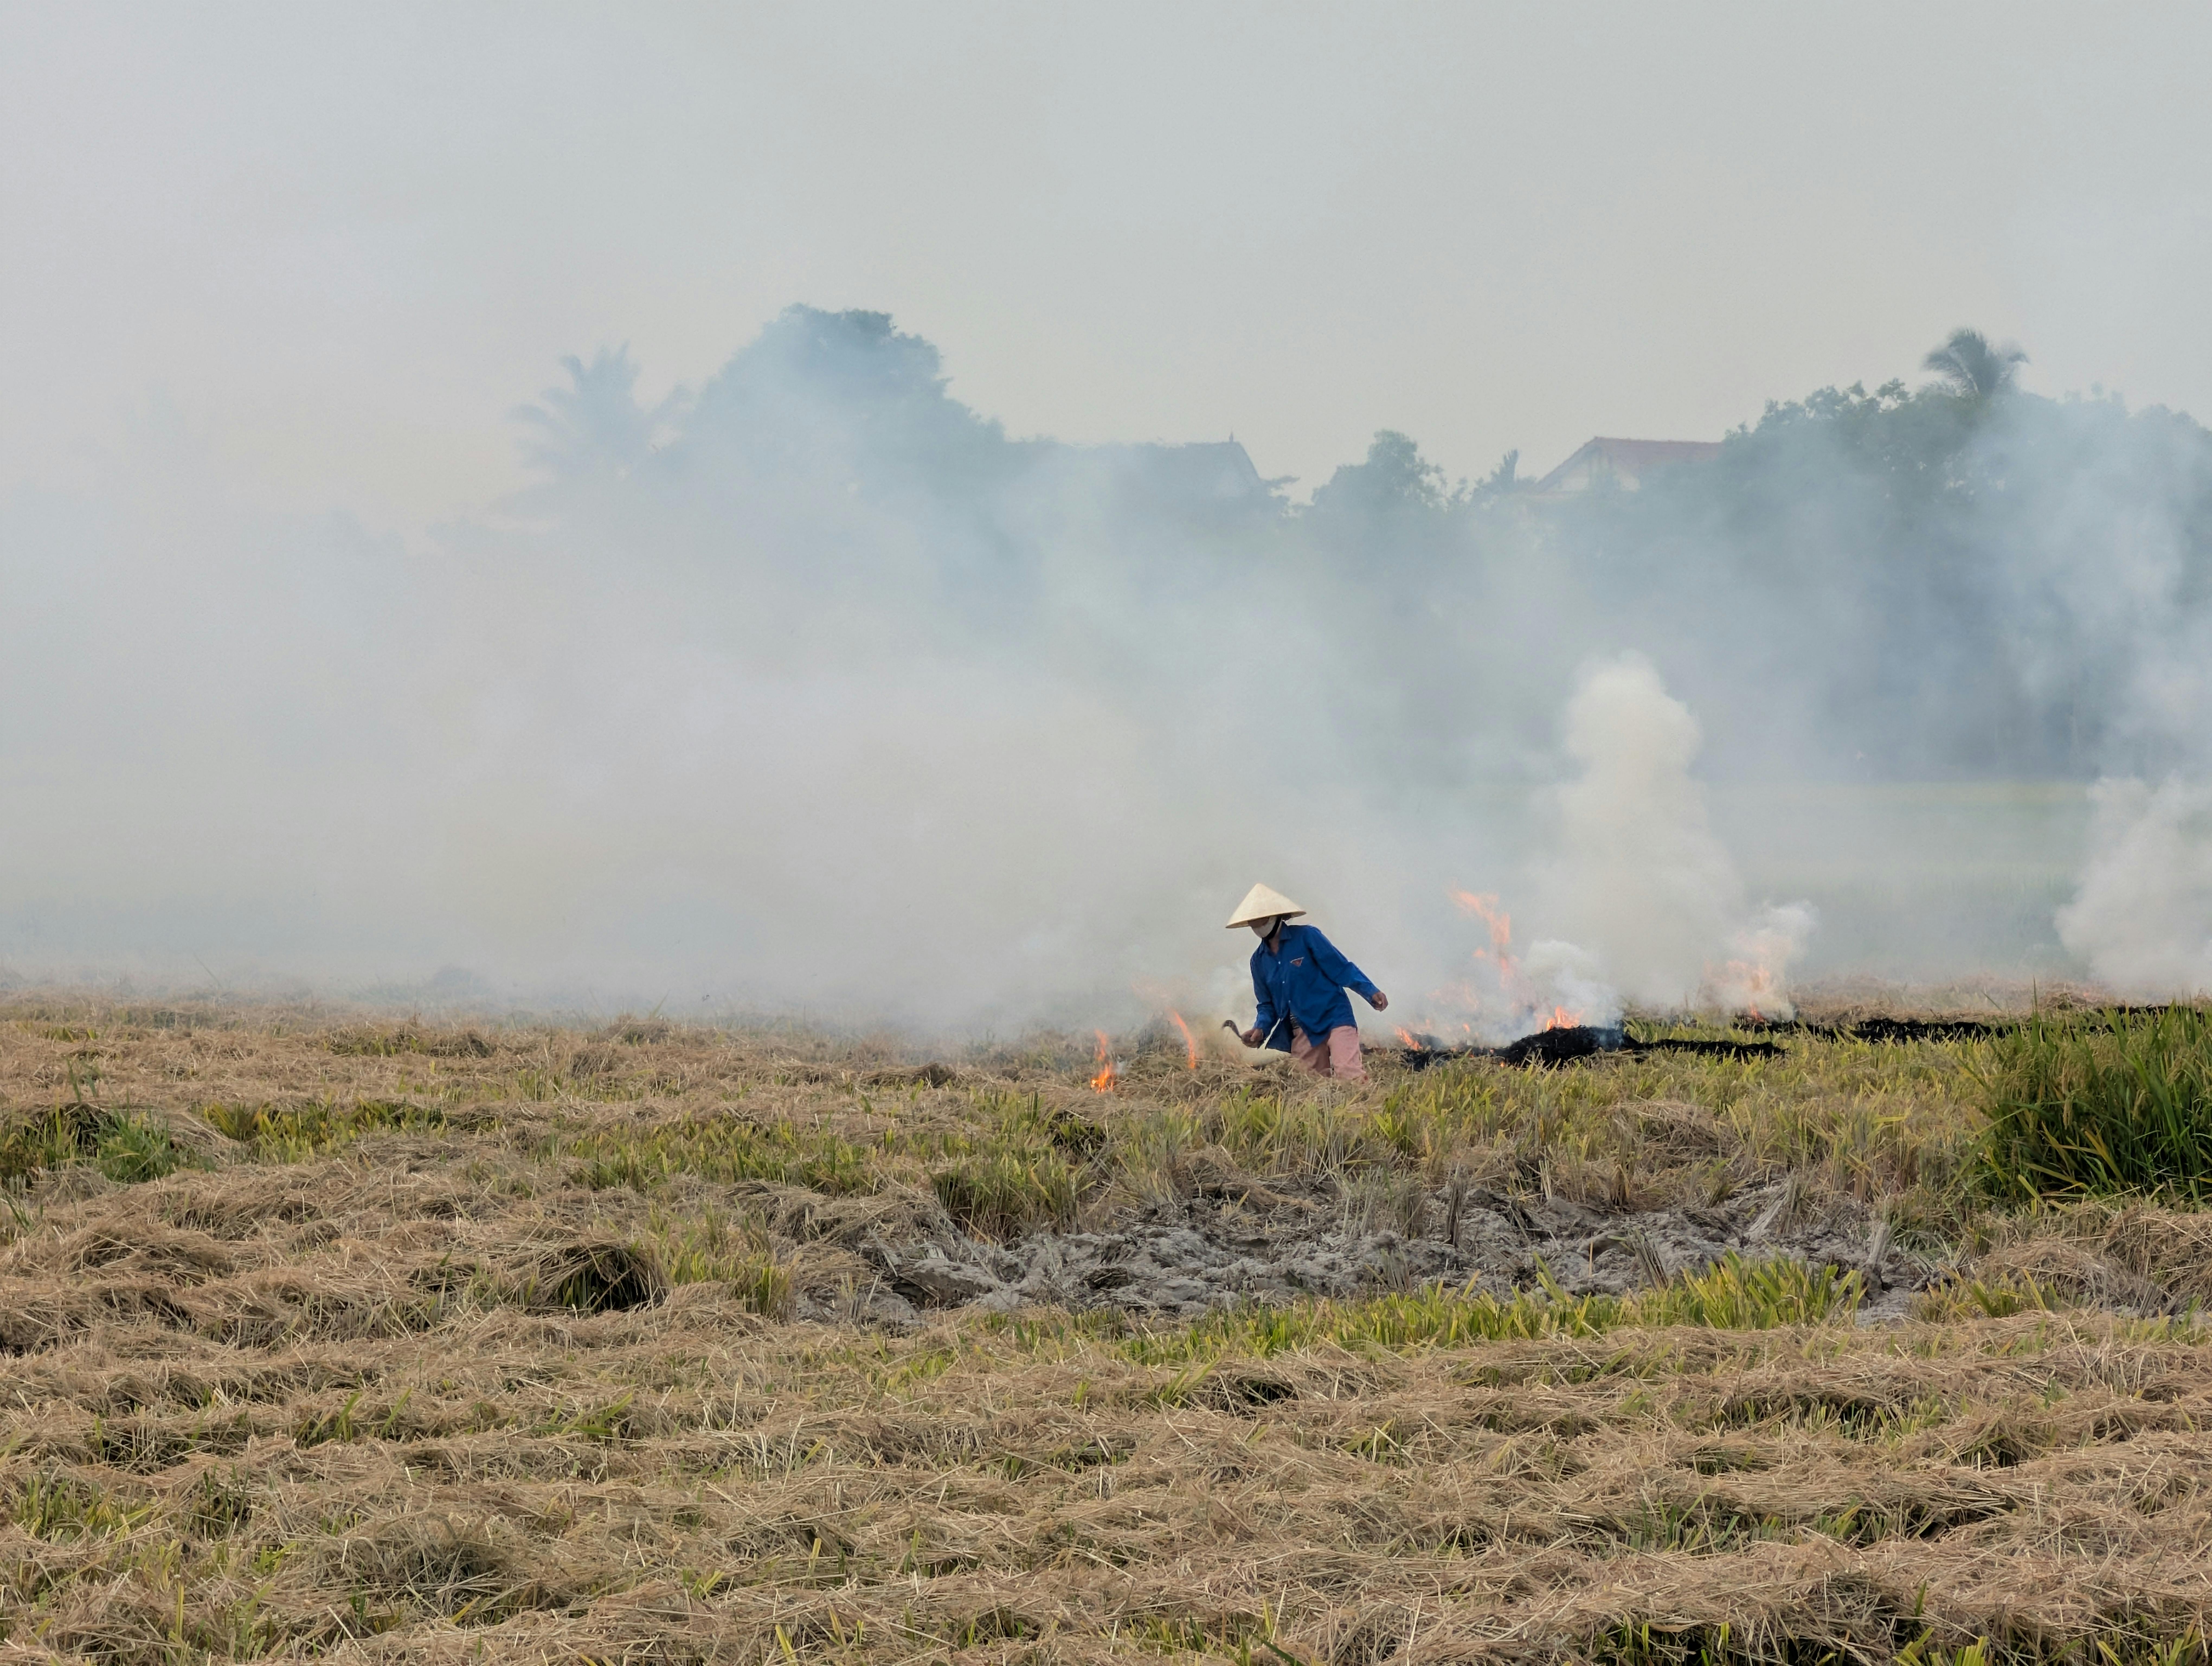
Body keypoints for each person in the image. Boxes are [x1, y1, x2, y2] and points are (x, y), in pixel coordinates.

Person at [1225, 882, 1387, 1081]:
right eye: (1254, 921)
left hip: (1334, 1017)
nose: (1258, 925)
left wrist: (1370, 991)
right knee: (1310, 1085)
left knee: (1348, 1073)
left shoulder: (1307, 937)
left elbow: (1341, 968)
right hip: (1302, 1028)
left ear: (1278, 917)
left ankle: (1365, 1108)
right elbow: (1267, 1005)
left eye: (1263, 919)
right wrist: (1260, 1029)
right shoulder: (1258, 961)